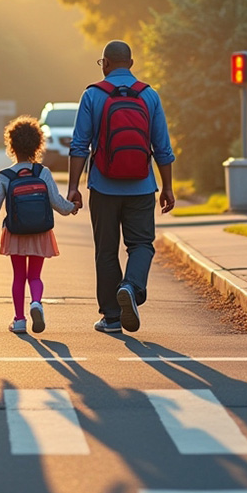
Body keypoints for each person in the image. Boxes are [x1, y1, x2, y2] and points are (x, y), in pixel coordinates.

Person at [67, 40, 175, 334]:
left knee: (106, 250)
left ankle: (112, 317)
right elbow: (162, 147)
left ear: (105, 63)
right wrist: (167, 186)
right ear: (131, 63)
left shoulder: (93, 95)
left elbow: (79, 146)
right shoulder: (149, 95)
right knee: (141, 244)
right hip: (141, 186)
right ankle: (131, 285)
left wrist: (74, 187)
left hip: (103, 186)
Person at [0, 116, 79, 334]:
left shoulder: (6, 176)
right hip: (40, 231)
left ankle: (19, 320)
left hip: (16, 232)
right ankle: (37, 302)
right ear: (38, 144)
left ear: (11, 146)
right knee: (35, 276)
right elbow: (56, 202)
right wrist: (71, 207)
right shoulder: (43, 172)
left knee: (19, 276)